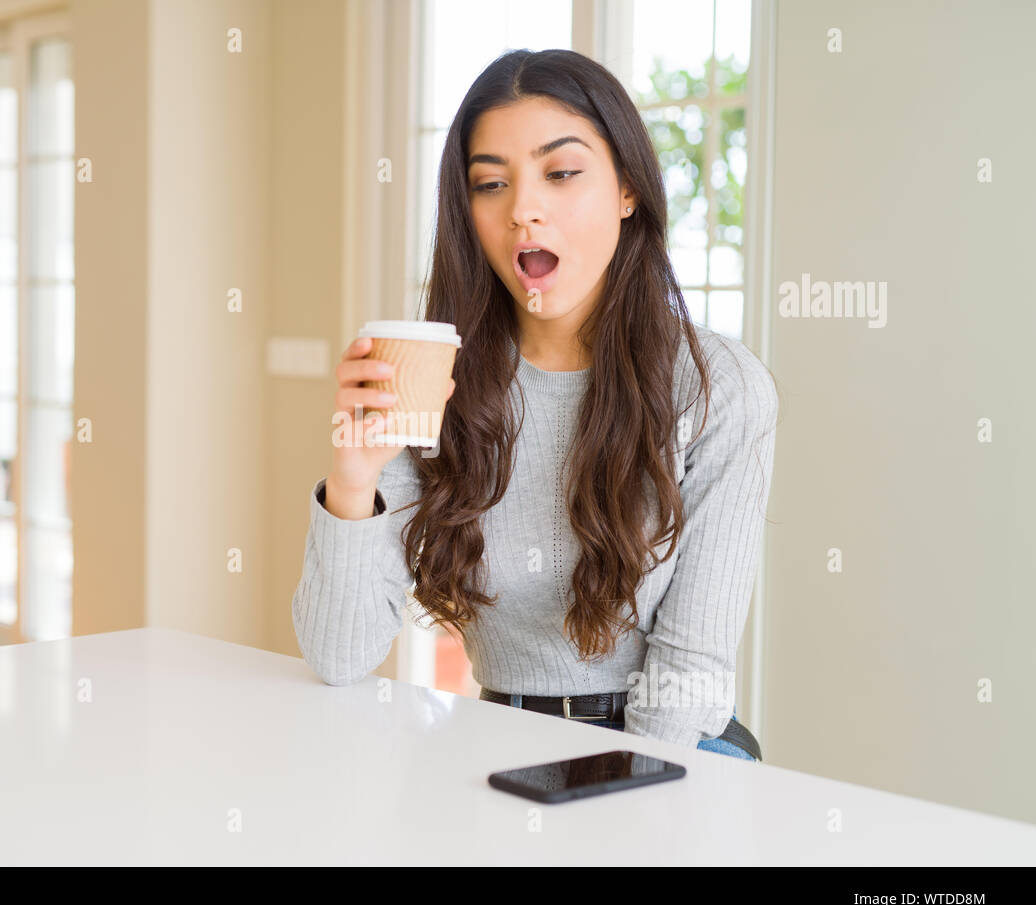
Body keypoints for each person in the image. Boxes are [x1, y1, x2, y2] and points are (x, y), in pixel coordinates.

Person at [292, 49, 778, 762]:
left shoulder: (716, 386)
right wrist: (354, 477)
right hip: (503, 739)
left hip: (674, 749)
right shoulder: (437, 376)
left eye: (561, 173)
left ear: (627, 189)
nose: (523, 208)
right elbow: (338, 655)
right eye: (491, 183)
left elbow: (690, 668)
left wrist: (616, 801)